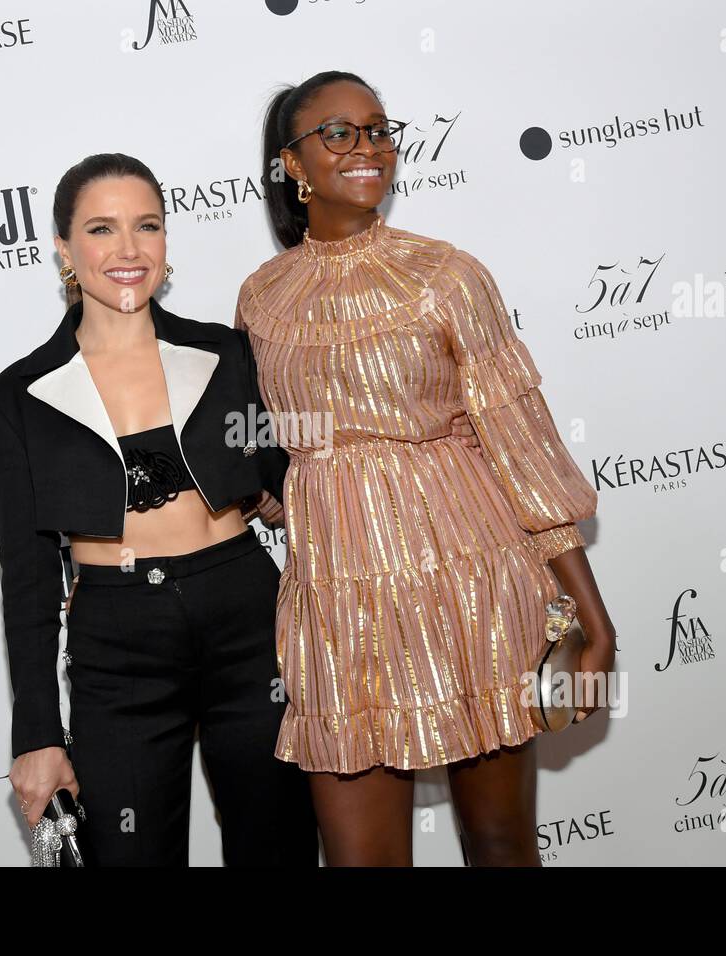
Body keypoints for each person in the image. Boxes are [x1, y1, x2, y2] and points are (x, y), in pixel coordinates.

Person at [0, 151, 478, 866]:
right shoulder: (17, 398)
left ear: (165, 241)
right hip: (115, 642)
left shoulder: (224, 354)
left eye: (146, 226)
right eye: (101, 229)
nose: (127, 250)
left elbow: (300, 490)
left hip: (246, 615)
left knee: (276, 848)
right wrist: (37, 735)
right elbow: (27, 582)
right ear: (62, 246)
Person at [235, 72, 619, 866]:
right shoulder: (261, 298)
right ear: (292, 166)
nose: (368, 146)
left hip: (470, 584)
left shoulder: (447, 274)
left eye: (378, 129)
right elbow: (279, 438)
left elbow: (522, 449)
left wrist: (593, 618)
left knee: (501, 844)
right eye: (338, 133)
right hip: (339, 601)